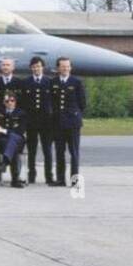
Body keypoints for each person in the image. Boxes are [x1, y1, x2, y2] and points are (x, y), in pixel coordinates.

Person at [49, 56, 87, 186]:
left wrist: (75, 115)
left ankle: (74, 180)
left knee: (74, 153)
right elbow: (51, 102)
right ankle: (60, 179)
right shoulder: (53, 82)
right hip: (57, 123)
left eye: (67, 66)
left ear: (70, 68)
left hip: (72, 123)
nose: (65, 68)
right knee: (59, 152)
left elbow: (82, 103)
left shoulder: (76, 82)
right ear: (58, 68)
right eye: (63, 66)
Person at [17, 56, 54, 185]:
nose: (36, 69)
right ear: (31, 68)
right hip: (31, 121)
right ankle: (31, 174)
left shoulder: (49, 82)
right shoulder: (25, 83)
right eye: (34, 67)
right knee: (32, 150)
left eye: (38, 66)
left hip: (46, 122)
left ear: (42, 67)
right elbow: (21, 103)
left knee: (47, 150)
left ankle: (49, 176)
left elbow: (53, 102)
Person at [0, 91, 28, 188]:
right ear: (3, 102)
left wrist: (2, 130)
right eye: (7, 101)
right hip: (2, 142)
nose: (9, 103)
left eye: (12, 100)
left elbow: (20, 130)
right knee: (11, 145)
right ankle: (15, 180)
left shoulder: (21, 113)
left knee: (13, 139)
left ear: (15, 102)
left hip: (18, 141)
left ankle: (5, 162)